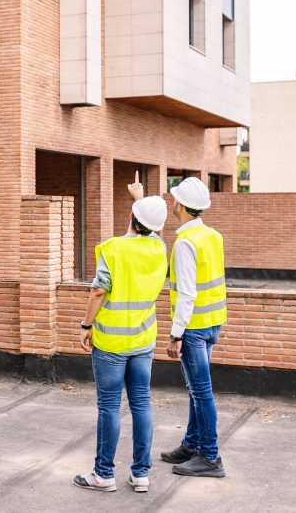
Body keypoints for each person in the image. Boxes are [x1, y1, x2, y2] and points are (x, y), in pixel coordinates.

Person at [74, 173, 168, 495]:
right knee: (142, 404)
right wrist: (139, 199)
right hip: (143, 341)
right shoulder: (159, 249)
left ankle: (104, 474)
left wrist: (86, 326)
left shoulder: (112, 249)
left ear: (130, 217)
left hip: (111, 343)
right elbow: (149, 228)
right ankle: (141, 475)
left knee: (110, 407)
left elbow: (99, 292)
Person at [161, 176, 228, 478]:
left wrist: (176, 334)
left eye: (175, 200)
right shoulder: (213, 236)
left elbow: (187, 293)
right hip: (213, 323)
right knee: (196, 389)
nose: (172, 203)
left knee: (201, 392)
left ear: (182, 206)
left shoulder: (185, 244)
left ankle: (210, 457)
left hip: (194, 328)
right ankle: (192, 444)